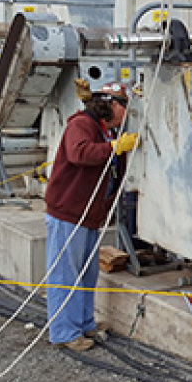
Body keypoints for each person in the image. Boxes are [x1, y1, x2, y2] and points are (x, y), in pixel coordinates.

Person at [43, 82, 138, 351]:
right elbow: (79, 152)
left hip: (88, 216)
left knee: (87, 273)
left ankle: (84, 324)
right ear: (112, 104)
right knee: (66, 274)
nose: (127, 113)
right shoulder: (82, 124)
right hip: (69, 213)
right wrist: (115, 148)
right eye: (125, 106)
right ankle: (64, 332)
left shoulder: (104, 130)